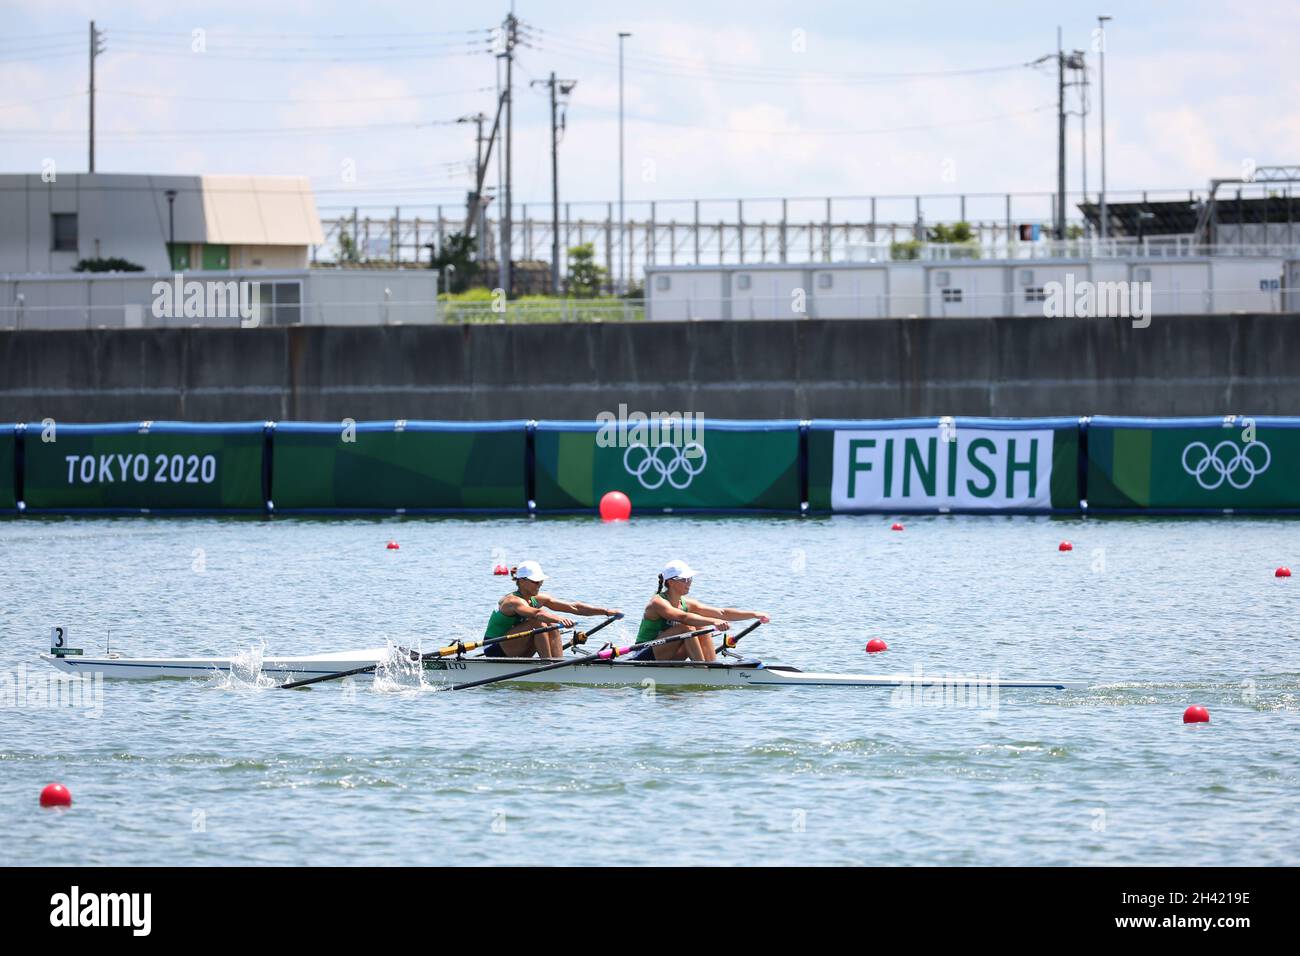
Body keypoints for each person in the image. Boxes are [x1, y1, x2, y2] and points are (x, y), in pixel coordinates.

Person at [635, 559, 771, 662]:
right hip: (644, 654)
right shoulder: (657, 602)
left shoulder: (687, 603)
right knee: (687, 627)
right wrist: (714, 622)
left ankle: (712, 666)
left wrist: (754, 614)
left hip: (666, 653)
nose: (689, 582)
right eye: (685, 579)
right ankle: (701, 668)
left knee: (701, 626)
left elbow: (723, 613)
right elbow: (683, 618)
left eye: (690, 579)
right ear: (670, 582)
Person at [483, 560, 620, 659]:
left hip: (514, 645)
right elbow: (538, 614)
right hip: (494, 648)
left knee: (551, 625)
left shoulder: (538, 599)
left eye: (541, 581)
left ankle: (557, 663)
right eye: (536, 581)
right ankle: (548, 665)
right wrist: (560, 619)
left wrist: (606, 611)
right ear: (522, 581)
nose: (540, 584)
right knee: (539, 624)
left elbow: (575, 607)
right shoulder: (512, 601)